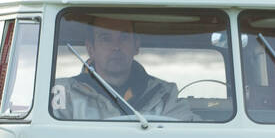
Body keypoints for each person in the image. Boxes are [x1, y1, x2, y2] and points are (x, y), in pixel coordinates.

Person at [54, 18, 193, 121]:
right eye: (106, 39)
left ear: (136, 45)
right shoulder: (63, 93)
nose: (116, 46)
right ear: (91, 48)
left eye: (124, 38)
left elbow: (189, 137)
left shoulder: (164, 94)